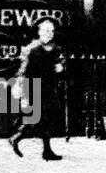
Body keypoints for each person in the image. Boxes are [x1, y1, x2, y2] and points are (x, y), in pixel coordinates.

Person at [9, 20, 66, 160]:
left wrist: (61, 67)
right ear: (39, 32)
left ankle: (17, 138)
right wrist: (22, 90)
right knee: (40, 118)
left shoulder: (56, 49)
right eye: (46, 30)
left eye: (51, 31)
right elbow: (24, 71)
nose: (49, 34)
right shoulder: (33, 50)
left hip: (48, 87)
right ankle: (43, 149)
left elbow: (61, 63)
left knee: (45, 117)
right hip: (34, 86)